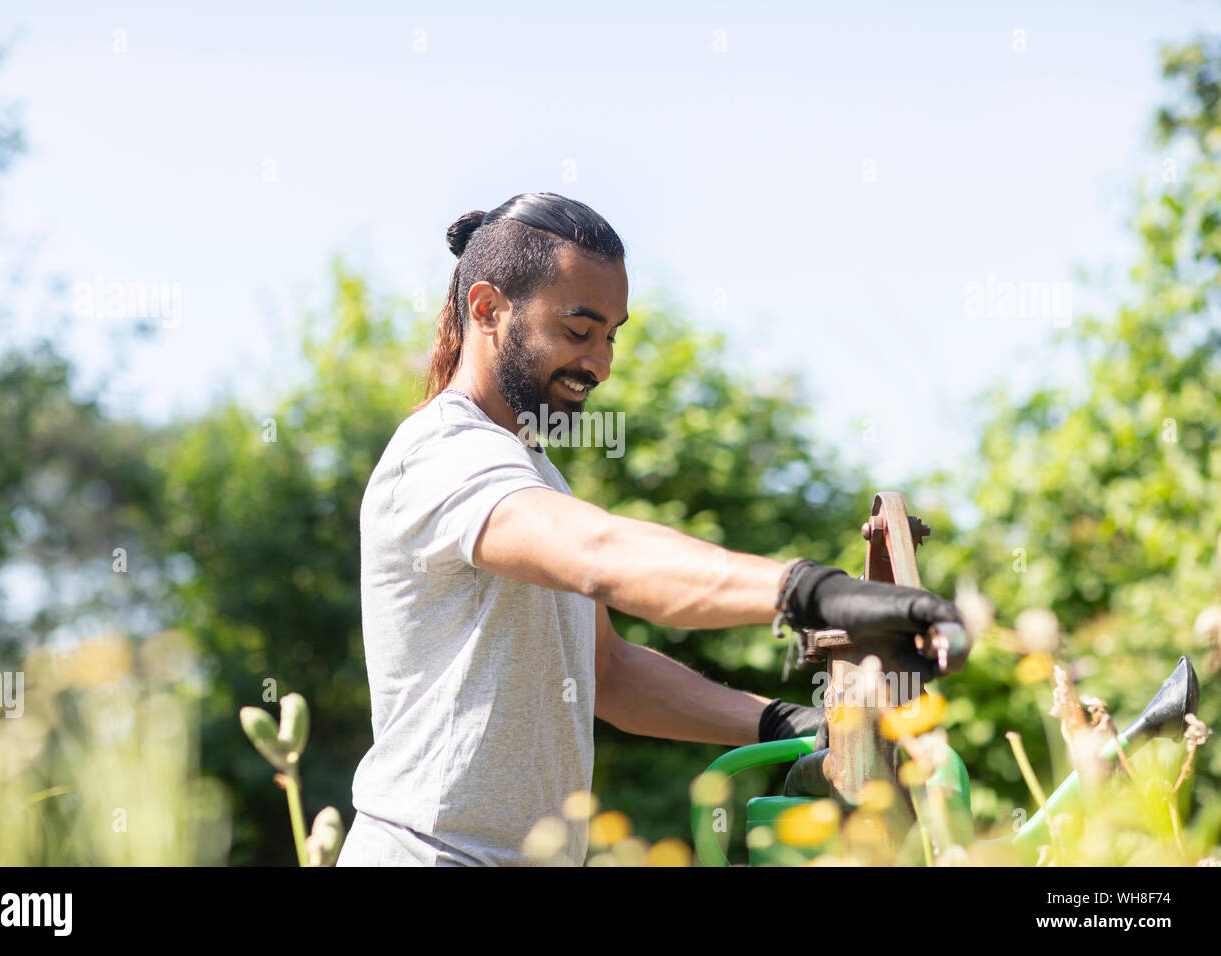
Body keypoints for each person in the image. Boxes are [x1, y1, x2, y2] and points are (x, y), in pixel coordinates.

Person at [335, 192, 962, 866]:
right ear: (488, 309)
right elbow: (602, 554)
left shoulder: (534, 471)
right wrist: (812, 592)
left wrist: (784, 721)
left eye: (611, 335)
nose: (600, 365)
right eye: (578, 331)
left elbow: (606, 672)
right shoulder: (443, 454)